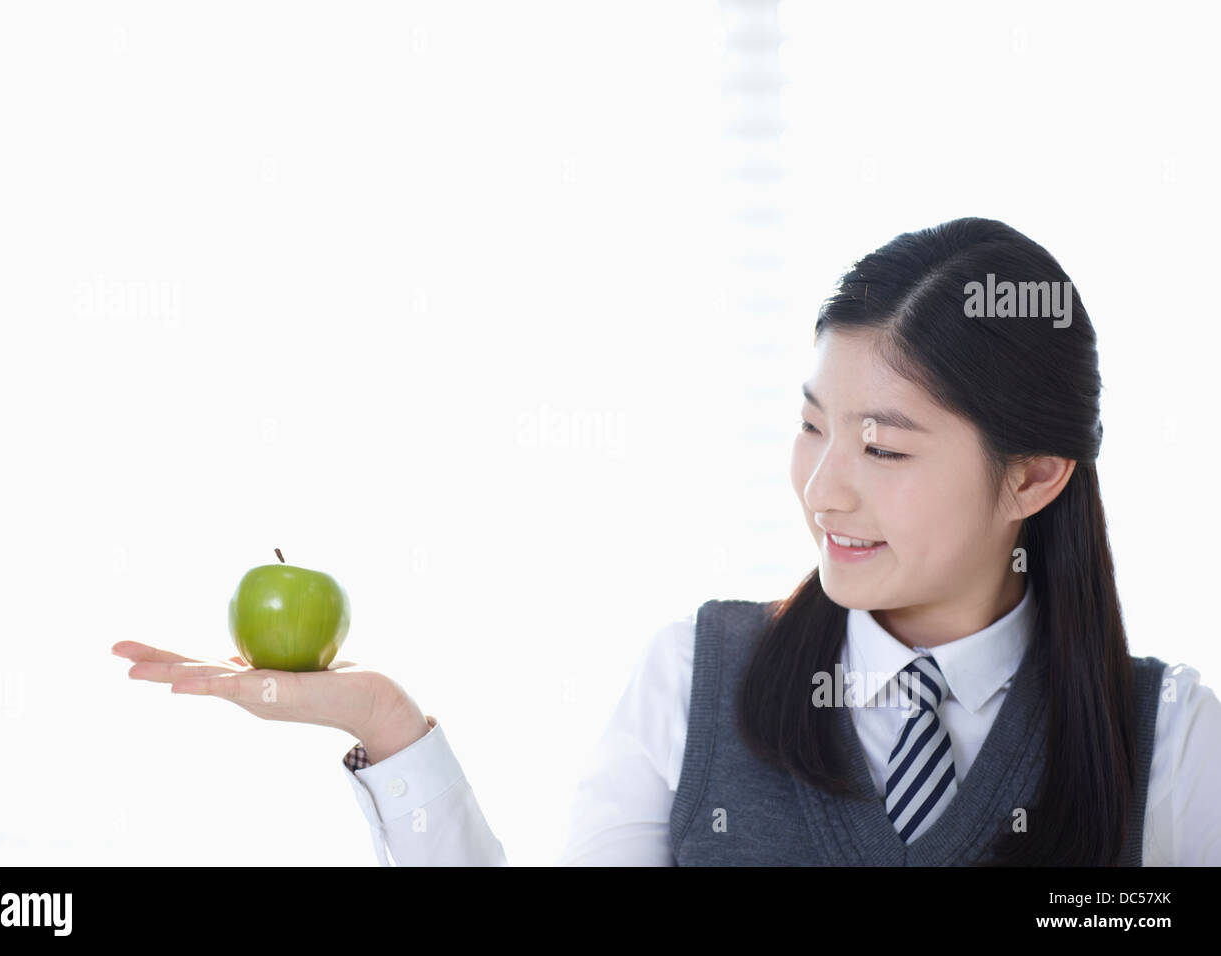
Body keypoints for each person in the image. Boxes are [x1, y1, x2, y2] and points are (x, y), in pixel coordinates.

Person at [113, 217, 1220, 866]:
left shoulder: (1163, 741)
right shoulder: (697, 678)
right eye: (809, 425)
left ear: (1032, 475)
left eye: (883, 448)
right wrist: (390, 729)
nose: (822, 488)